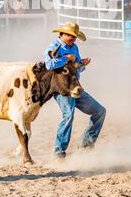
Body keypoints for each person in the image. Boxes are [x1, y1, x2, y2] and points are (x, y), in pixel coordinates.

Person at [44, 21, 106, 158]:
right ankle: (59, 152)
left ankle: (86, 144)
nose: (73, 38)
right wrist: (65, 58)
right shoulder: (53, 47)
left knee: (100, 111)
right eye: (70, 36)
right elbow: (48, 65)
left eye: (74, 36)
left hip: (75, 87)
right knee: (68, 115)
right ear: (62, 34)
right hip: (62, 89)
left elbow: (76, 67)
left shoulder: (74, 47)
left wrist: (82, 63)